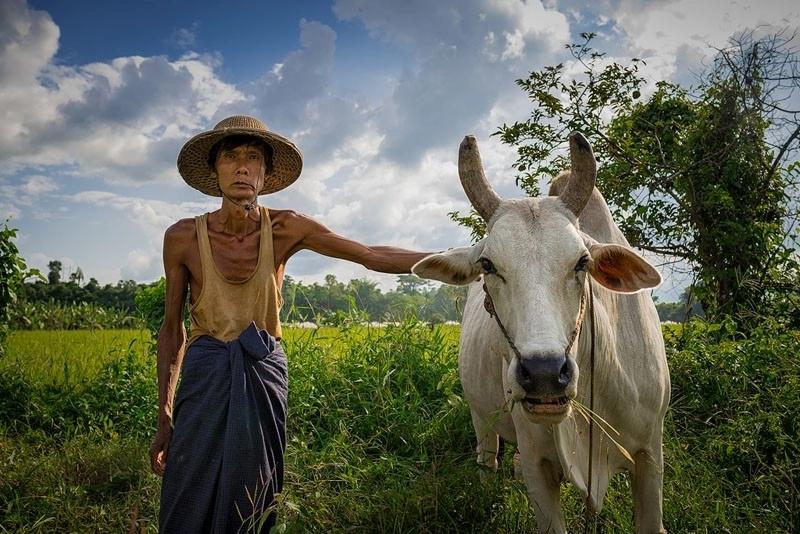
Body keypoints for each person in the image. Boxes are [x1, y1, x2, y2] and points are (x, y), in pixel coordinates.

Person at [150, 115, 431, 533]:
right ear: (215, 171)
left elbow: (369, 254)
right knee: (186, 487)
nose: (242, 167)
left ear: (265, 173)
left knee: (253, 488)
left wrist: (457, 260)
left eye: (253, 158)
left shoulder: (285, 228)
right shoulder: (183, 237)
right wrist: (165, 414)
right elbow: (173, 330)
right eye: (231, 157)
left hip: (261, 371)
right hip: (206, 373)